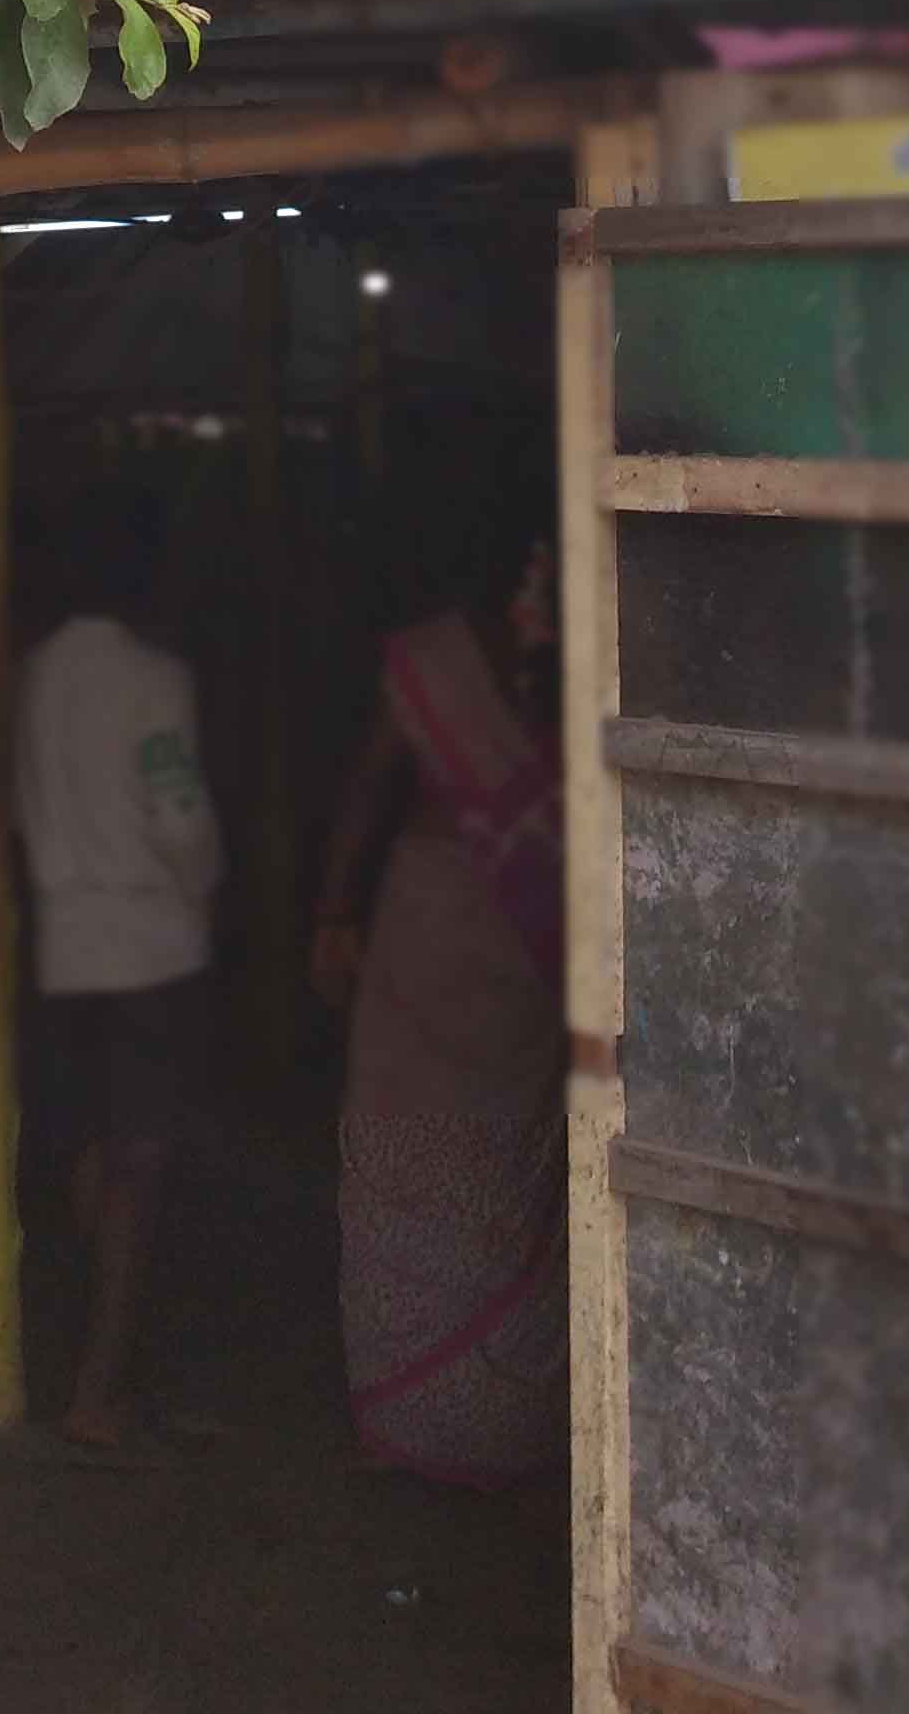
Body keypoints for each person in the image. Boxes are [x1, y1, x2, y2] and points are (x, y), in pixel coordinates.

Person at [313, 529, 566, 1486]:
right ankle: (509, 1413)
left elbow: (367, 788)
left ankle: (412, 1407)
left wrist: (332, 915)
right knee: (508, 1155)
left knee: (400, 1154)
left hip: (428, 925)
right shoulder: (594, 658)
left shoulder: (429, 662)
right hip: (531, 939)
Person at [13, 498, 224, 1453]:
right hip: (149, 950)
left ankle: (87, 1349)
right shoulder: (153, 679)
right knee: (139, 1165)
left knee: (89, 1155)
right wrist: (210, 886)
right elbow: (179, 815)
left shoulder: (32, 675)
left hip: (63, 948)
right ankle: (98, 1385)